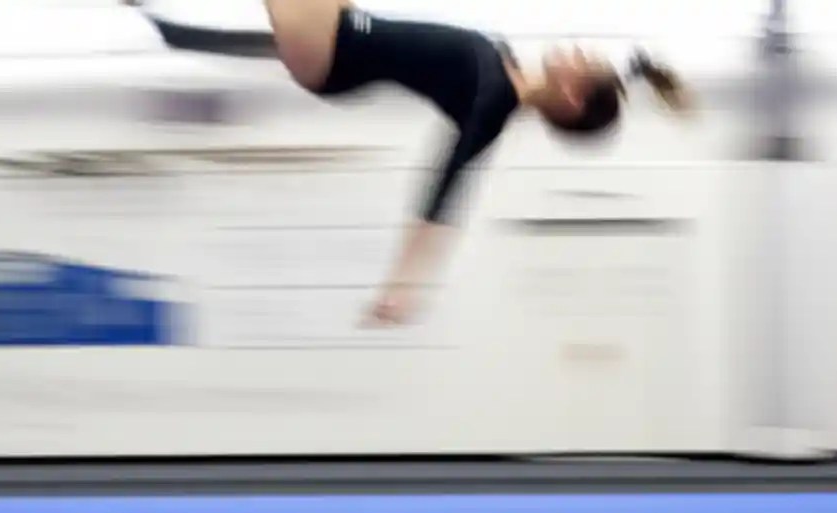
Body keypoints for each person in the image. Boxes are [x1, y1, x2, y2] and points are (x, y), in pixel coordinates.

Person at [124, 0, 690, 325]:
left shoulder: (493, 105)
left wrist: (404, 283)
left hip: (332, 51)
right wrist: (180, 35)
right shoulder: (505, 66)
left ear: (569, 96)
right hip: (337, 31)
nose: (570, 49)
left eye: (578, 59)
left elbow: (444, 194)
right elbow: (614, 77)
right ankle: (169, 27)